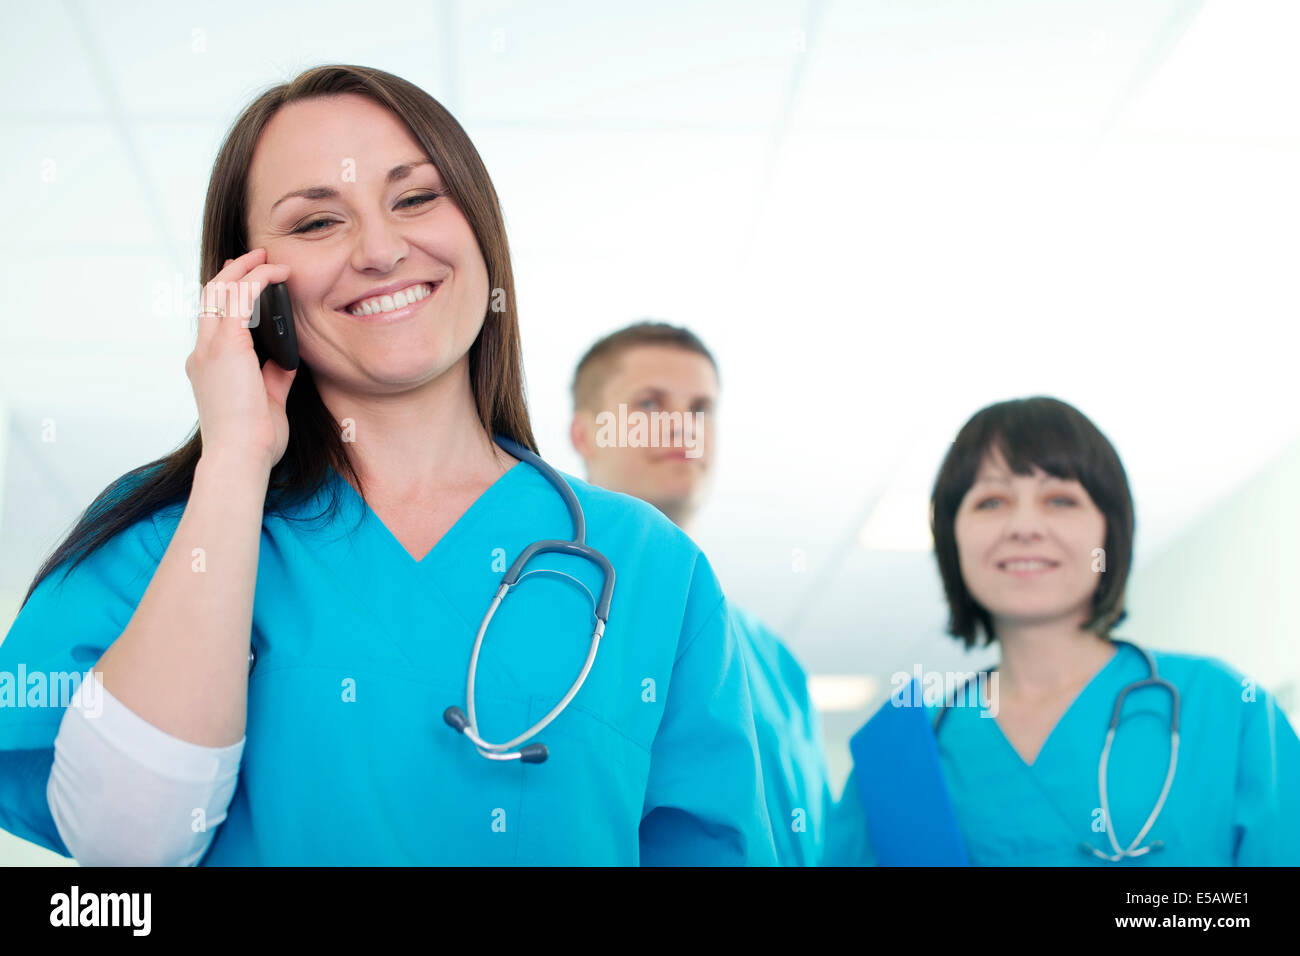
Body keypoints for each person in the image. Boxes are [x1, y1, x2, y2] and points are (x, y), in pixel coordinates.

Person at [0, 65, 777, 866]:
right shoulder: (167, 533)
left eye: (414, 199)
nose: (380, 249)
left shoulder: (654, 566)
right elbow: (128, 847)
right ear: (251, 287)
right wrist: (235, 457)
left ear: (479, 226)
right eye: (315, 223)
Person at [824, 396, 1300, 866]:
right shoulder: (900, 756)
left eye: (1060, 499)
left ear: (1108, 532)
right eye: (991, 501)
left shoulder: (1224, 709)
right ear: (952, 538)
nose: (1024, 526)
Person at [569, 321, 831, 866]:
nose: (682, 428)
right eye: (649, 403)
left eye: (700, 409)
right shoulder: (548, 616)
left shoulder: (774, 659)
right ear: (584, 434)